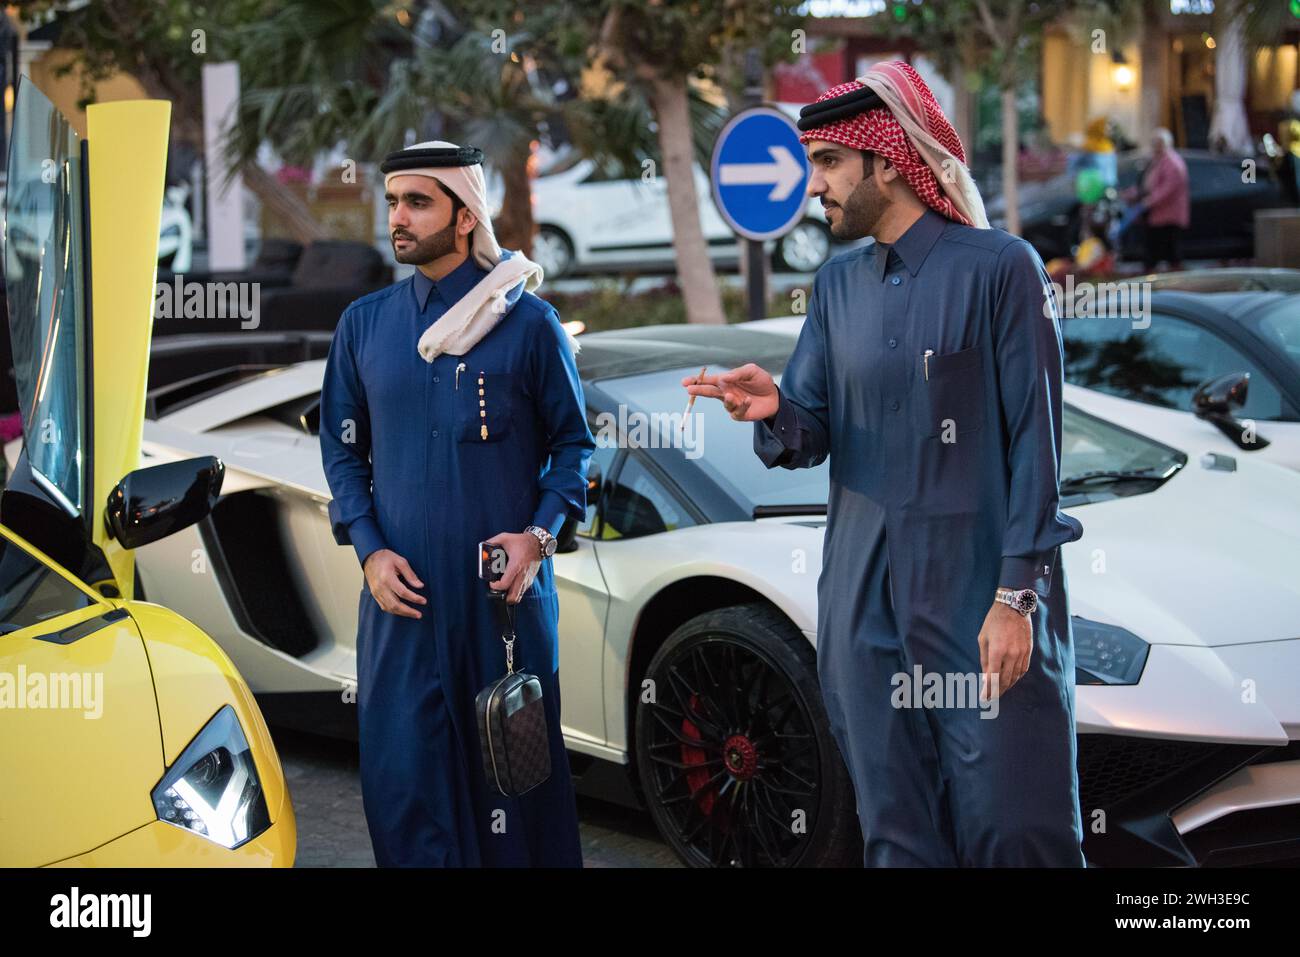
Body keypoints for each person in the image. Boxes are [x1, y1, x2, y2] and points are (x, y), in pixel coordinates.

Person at [683, 62, 1086, 867]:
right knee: (898, 837)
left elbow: (1034, 446)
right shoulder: (835, 288)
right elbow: (812, 430)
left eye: (829, 163)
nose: (815, 187)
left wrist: (1016, 597)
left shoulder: (1002, 269)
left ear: (890, 159)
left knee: (1016, 831)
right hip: (863, 612)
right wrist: (775, 410)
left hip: (979, 604)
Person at [320, 140, 595, 867]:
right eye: (392, 202)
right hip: (401, 609)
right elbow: (342, 452)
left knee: (515, 791)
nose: (398, 218)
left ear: (465, 215)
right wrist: (371, 549)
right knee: (404, 788)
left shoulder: (528, 324)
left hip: (501, 608)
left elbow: (574, 449)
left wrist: (539, 536)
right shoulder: (365, 326)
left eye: (418, 202)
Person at [1132, 128, 1190, 272]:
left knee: (1168, 251)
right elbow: (1149, 183)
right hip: (1157, 215)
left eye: (1158, 143)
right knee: (1155, 249)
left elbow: (1168, 189)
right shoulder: (1157, 160)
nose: (1155, 146)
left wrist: (1149, 201)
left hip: (1168, 216)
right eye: (1154, 143)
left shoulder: (1172, 163)